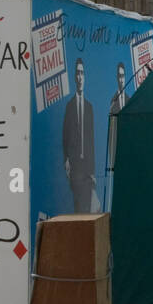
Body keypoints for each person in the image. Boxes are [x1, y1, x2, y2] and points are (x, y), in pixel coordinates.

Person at [62, 58, 97, 212]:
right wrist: (66, 160)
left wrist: (93, 172)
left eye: (82, 73)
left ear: (85, 77)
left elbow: (91, 140)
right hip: (75, 168)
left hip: (88, 169)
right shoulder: (70, 107)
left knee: (89, 210)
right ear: (74, 77)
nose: (80, 77)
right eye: (78, 73)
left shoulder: (89, 107)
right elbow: (65, 137)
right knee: (79, 209)